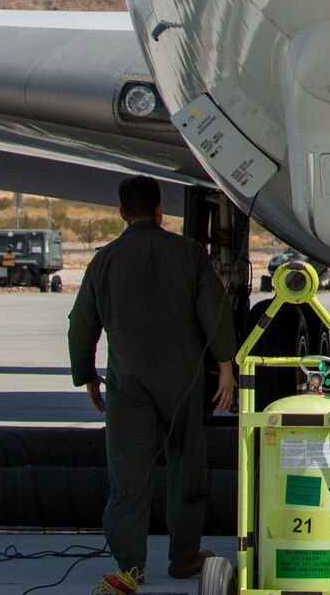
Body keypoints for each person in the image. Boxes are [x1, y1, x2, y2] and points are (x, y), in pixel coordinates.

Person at [68, 174, 238, 595]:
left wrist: (87, 375)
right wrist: (227, 367)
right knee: (186, 470)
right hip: (183, 378)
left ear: (123, 213)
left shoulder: (103, 260)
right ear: (161, 211)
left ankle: (130, 568)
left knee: (129, 476)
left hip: (128, 382)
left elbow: (81, 325)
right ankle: (183, 557)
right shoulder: (189, 254)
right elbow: (214, 312)